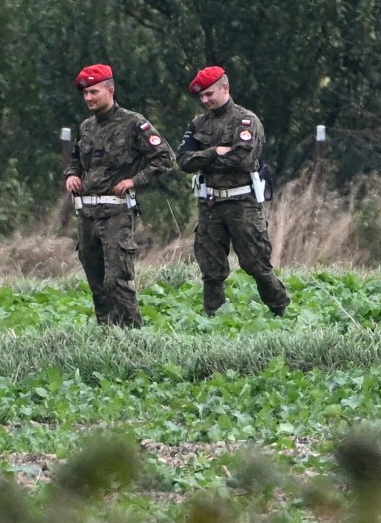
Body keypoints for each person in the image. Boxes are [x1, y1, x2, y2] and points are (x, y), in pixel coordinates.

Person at [61, 64, 177, 328]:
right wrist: (72, 175)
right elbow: (76, 159)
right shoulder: (86, 126)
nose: (88, 98)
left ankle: (134, 335)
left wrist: (134, 181)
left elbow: (164, 158)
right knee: (96, 284)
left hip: (116, 214)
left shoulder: (134, 123)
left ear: (110, 90)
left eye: (94, 92)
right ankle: (107, 337)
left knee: (117, 281)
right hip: (87, 214)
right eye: (85, 93)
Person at [177, 66, 290, 317]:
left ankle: (279, 307)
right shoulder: (198, 123)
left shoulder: (245, 120)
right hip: (209, 205)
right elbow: (183, 161)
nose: (205, 100)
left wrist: (203, 159)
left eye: (209, 94)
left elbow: (241, 159)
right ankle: (212, 315)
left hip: (242, 204)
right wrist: (215, 151)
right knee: (211, 268)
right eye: (201, 96)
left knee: (256, 264)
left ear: (225, 88)